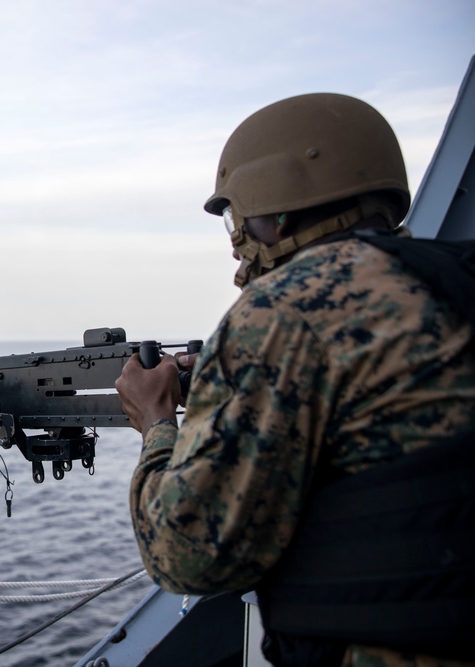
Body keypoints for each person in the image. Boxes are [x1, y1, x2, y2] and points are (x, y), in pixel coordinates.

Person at [115, 92, 475, 667]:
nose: (235, 237)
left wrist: (157, 423)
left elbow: (185, 558)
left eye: (235, 216)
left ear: (273, 205)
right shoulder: (452, 278)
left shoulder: (284, 309)